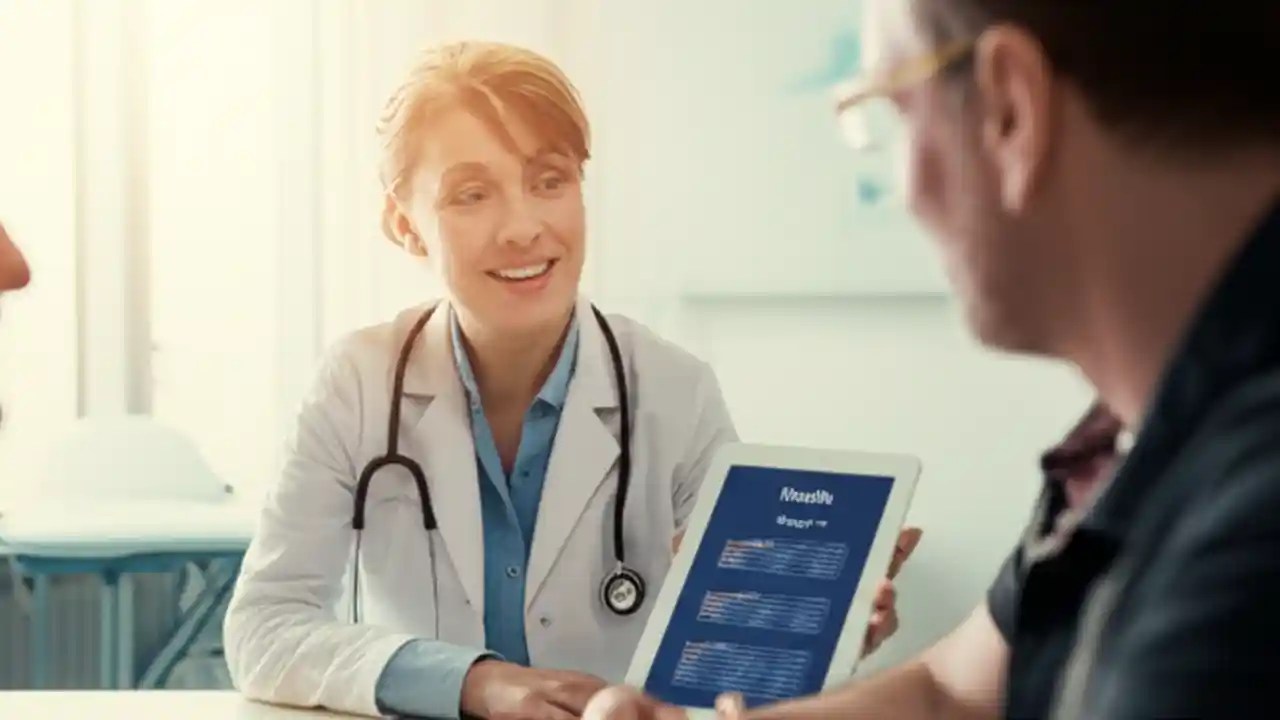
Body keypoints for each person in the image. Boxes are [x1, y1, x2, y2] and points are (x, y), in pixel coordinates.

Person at [584, 0, 1280, 718]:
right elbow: (952, 690)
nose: (906, 191)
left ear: (1013, 108)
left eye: (892, 111)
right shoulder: (1125, 445)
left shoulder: (1243, 557)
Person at [223, 41, 916, 720]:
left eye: (549, 181)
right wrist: (477, 684)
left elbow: (735, 652)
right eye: (472, 194)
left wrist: (815, 627)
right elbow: (262, 627)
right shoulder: (358, 383)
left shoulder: (674, 390)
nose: (524, 226)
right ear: (405, 225)